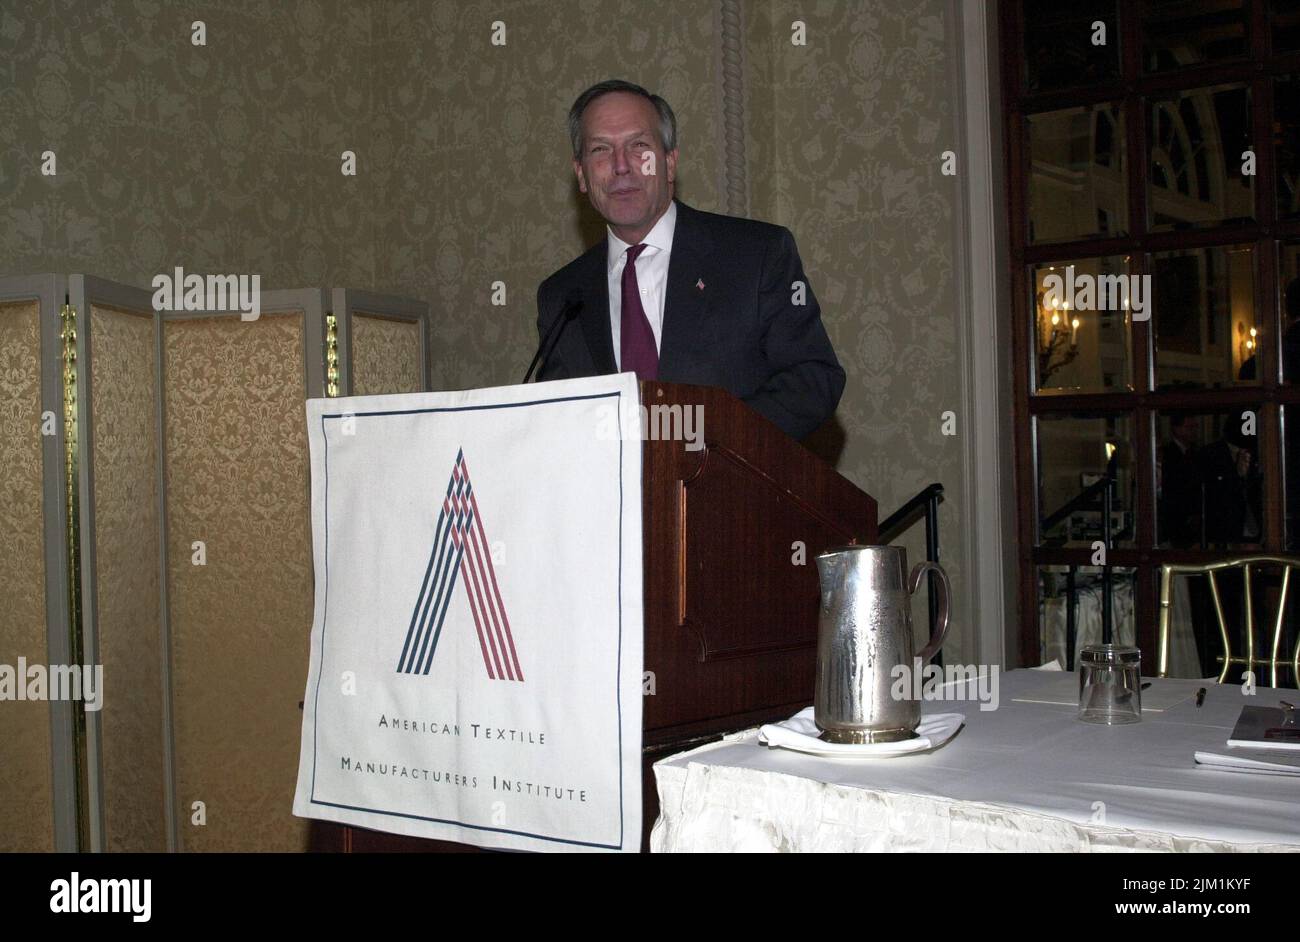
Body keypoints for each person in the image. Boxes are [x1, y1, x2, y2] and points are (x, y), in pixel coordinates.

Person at [535, 79, 845, 441]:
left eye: (639, 147)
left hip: (731, 488)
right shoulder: (561, 296)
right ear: (581, 175)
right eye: (601, 150)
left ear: (669, 162)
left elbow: (814, 380)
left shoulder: (758, 255)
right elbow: (556, 421)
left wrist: (706, 439)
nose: (621, 166)